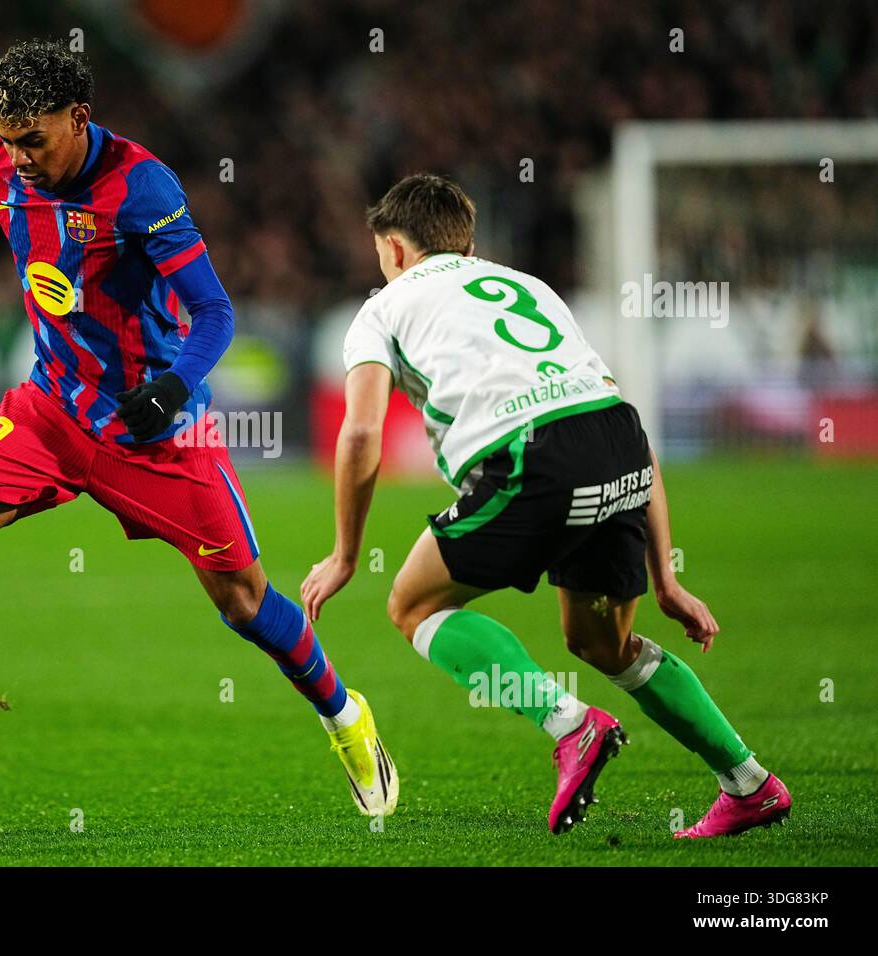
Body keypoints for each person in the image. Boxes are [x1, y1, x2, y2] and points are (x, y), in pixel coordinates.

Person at [0, 39, 397, 816]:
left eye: (34, 139)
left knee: (242, 602)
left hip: (155, 435)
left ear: (78, 118)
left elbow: (215, 312)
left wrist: (172, 387)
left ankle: (346, 716)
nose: (18, 157)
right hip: (50, 410)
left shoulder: (141, 187)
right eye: (6, 138)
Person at [301, 173, 789, 837]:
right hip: (618, 449)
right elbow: (615, 417)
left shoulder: (382, 309)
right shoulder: (530, 288)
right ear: (467, 246)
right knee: (601, 642)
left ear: (391, 249)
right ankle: (750, 783)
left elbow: (360, 433)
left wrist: (344, 554)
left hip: (535, 459)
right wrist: (665, 578)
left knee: (414, 604)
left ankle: (570, 724)